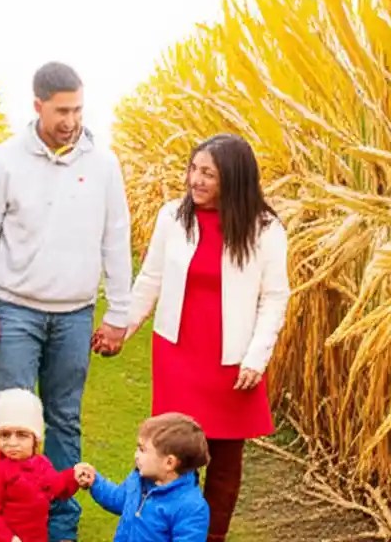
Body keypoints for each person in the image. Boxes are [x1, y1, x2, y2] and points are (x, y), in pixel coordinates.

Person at [0, 61, 133, 541]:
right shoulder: (4, 161)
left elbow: (116, 238)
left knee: (63, 419)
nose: (71, 120)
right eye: (61, 110)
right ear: (37, 105)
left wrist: (117, 313)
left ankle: (59, 529)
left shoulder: (103, 165)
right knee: (13, 420)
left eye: (78, 109)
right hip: (13, 307)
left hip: (75, 312)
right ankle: (0, 525)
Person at [124, 133, 291, 542]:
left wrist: (257, 357)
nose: (194, 180)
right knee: (171, 453)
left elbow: (274, 297)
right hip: (178, 352)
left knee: (225, 462)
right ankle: (157, 532)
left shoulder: (265, 229)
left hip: (233, 359)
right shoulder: (172, 217)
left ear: (233, 180)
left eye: (208, 174)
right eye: (193, 169)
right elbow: (151, 278)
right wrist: (120, 328)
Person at [72, 412, 211, 541]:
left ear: (169, 462)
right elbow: (119, 499)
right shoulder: (138, 480)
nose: (136, 455)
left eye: (142, 449)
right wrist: (96, 482)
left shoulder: (190, 508)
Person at [0, 388, 83, 542]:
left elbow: (56, 486)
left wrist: (74, 476)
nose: (12, 443)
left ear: (35, 440)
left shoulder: (40, 463)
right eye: (5, 435)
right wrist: (7, 537)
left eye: (21, 435)